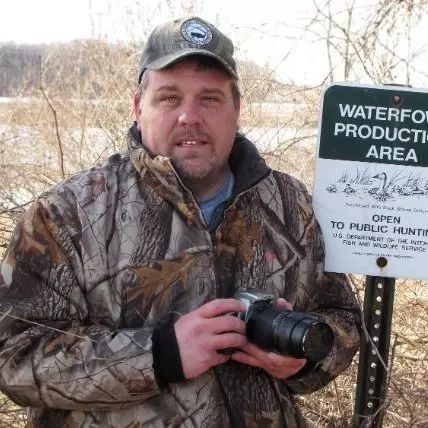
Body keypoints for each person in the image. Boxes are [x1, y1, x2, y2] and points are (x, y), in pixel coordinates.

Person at [0, 16, 361, 427]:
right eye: (169, 98)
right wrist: (159, 354)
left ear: (236, 110)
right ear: (139, 108)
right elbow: (12, 352)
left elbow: (343, 319)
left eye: (209, 98)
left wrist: (304, 357)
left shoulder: (290, 204)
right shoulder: (66, 216)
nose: (190, 116)